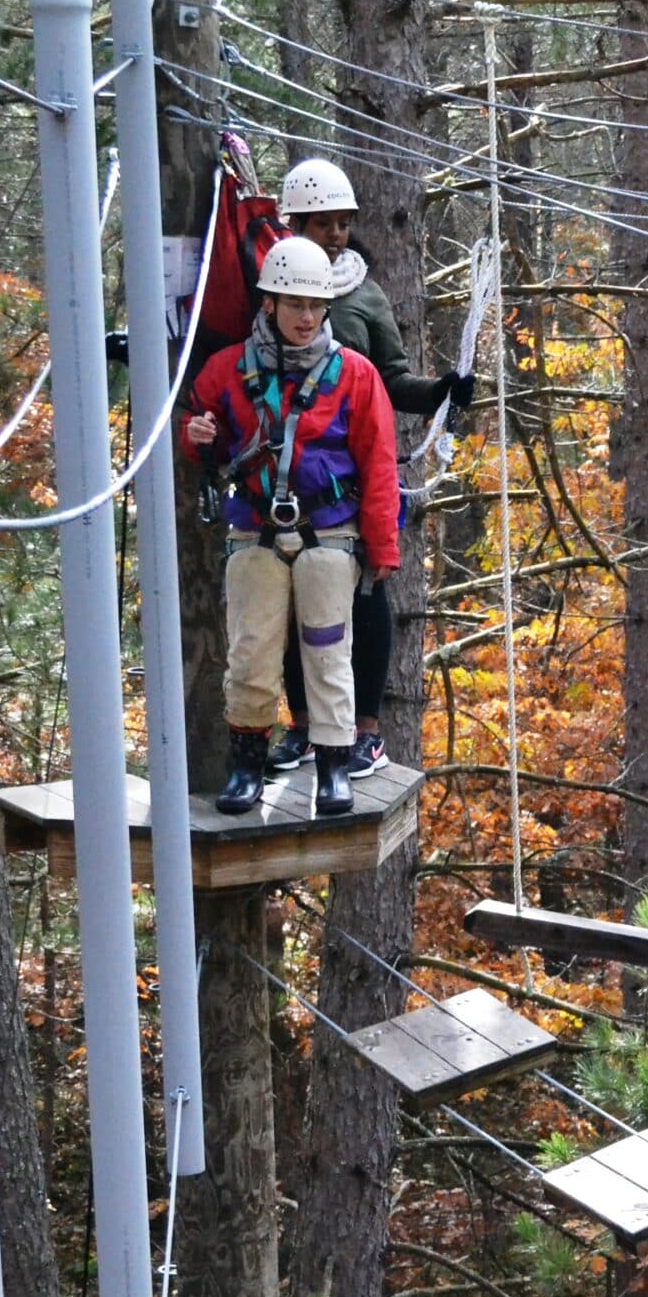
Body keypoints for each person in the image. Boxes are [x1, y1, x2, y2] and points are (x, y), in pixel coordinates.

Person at [262, 159, 474, 777]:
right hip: (288, 474)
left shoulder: (364, 294)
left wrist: (440, 392)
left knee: (366, 591)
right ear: (294, 225)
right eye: (321, 224)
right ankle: (304, 726)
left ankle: (366, 730)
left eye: (342, 224)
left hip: (353, 473)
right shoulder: (271, 293)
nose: (334, 235)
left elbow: (392, 379)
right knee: (293, 598)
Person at [182, 235, 401, 816]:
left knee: (328, 653)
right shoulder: (228, 370)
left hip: (328, 531)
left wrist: (382, 545)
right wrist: (197, 436)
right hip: (254, 528)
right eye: (296, 305)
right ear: (269, 304)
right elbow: (201, 428)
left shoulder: (354, 375)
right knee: (251, 653)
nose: (307, 318)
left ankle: (334, 766)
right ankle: (246, 766)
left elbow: (379, 462)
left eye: (316, 307)